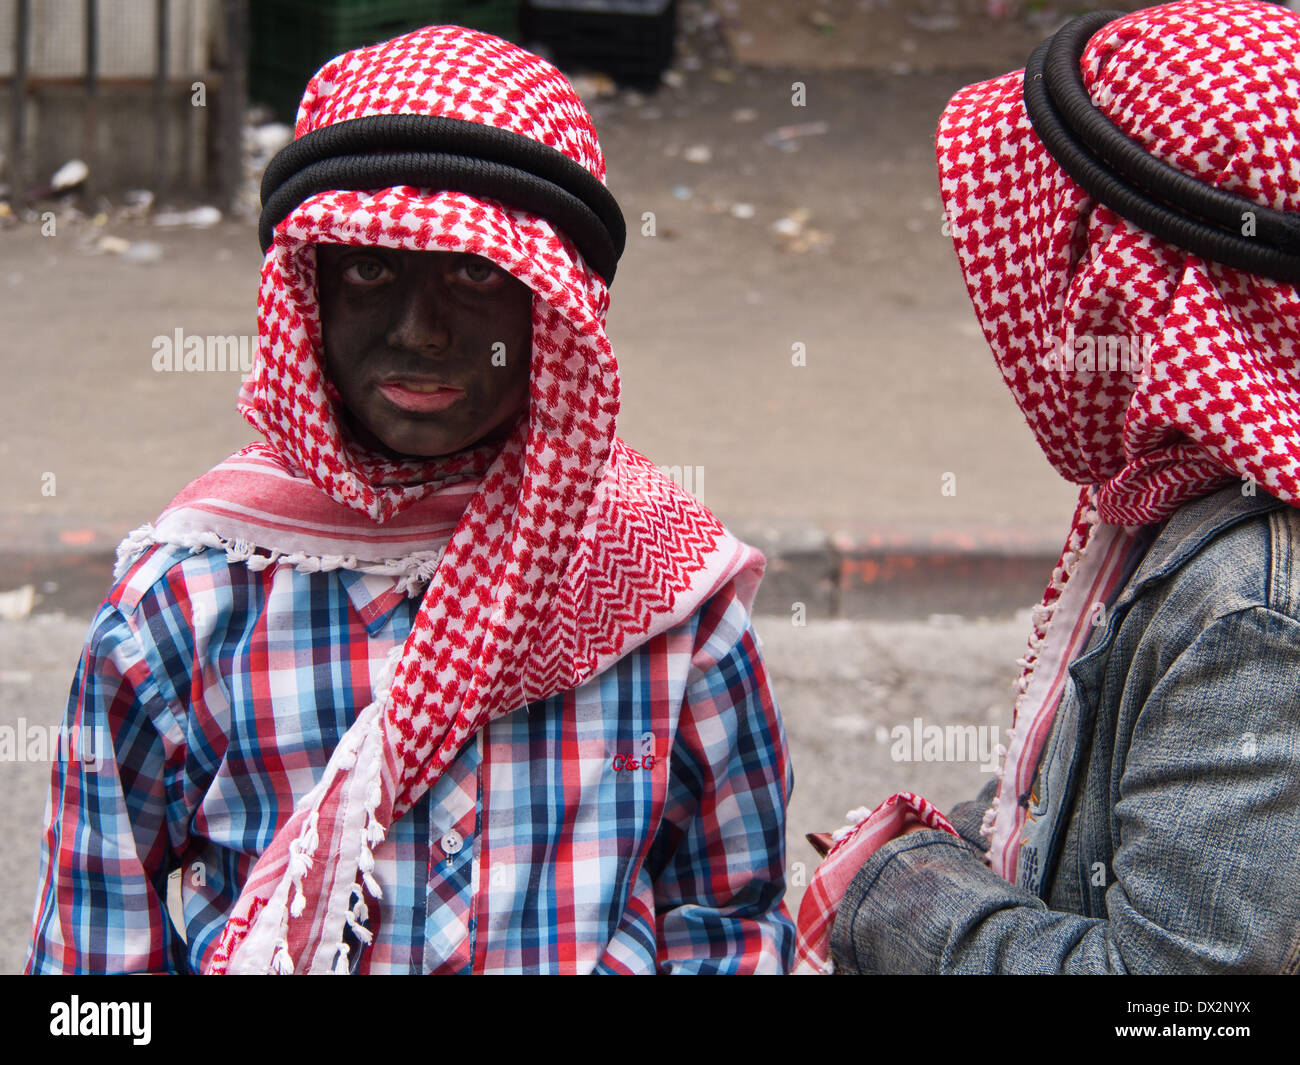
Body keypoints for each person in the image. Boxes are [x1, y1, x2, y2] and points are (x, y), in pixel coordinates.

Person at [26, 25, 794, 974]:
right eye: (369, 269)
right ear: (309, 293)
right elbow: (91, 963)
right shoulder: (190, 601)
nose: (419, 331)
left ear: (555, 307)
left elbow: (732, 922)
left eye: (475, 271)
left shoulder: (668, 592)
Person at [795, 0, 1300, 974]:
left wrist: (898, 892)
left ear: (1123, 279)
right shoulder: (1195, 486)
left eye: (1052, 248)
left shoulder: (1256, 609)